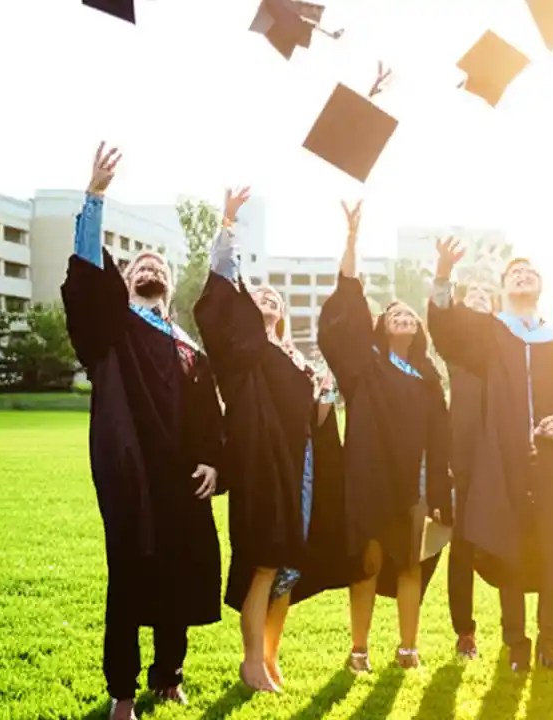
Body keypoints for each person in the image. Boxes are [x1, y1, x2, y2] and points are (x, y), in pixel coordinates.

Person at [62, 143, 224, 720]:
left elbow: (211, 417)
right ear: (125, 284)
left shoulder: (188, 348)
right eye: (139, 267)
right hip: (133, 476)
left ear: (170, 287)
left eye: (159, 267)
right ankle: (123, 693)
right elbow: (85, 280)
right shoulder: (114, 333)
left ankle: (169, 676)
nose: (150, 268)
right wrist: (95, 197)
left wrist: (211, 460)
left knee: (178, 574)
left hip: (181, 480)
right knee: (129, 578)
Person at [193, 187, 344, 692]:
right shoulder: (244, 354)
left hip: (299, 466)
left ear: (282, 315)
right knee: (262, 559)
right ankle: (251, 661)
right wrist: (228, 225)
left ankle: (272, 658)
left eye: (273, 299)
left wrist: (326, 393)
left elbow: (317, 419)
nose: (267, 300)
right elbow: (222, 288)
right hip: (260, 463)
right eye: (259, 296)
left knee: (287, 566)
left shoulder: (295, 359)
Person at [428, 241, 553, 672]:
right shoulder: (489, 334)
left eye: (529, 271)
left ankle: (552, 640)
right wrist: (443, 271)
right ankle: (516, 641)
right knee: (509, 550)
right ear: (503, 287)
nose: (522, 274)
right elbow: (445, 333)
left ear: (541, 287)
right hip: (504, 461)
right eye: (514, 272)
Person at [316, 201, 453, 671]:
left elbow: (442, 438)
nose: (402, 316)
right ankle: (359, 648)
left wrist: (439, 487)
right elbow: (347, 304)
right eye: (393, 312)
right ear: (380, 324)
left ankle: (408, 647)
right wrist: (352, 240)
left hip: (414, 482)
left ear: (417, 330)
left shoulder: (428, 377)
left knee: (412, 562)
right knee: (368, 560)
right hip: (369, 479)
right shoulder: (364, 367)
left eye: (409, 315)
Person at [446, 282, 495, 660]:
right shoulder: (457, 346)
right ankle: (465, 632)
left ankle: (520, 631)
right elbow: (444, 318)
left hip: (503, 455)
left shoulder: (508, 343)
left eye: (485, 297)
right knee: (462, 545)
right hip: (463, 457)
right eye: (473, 297)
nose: (479, 301)